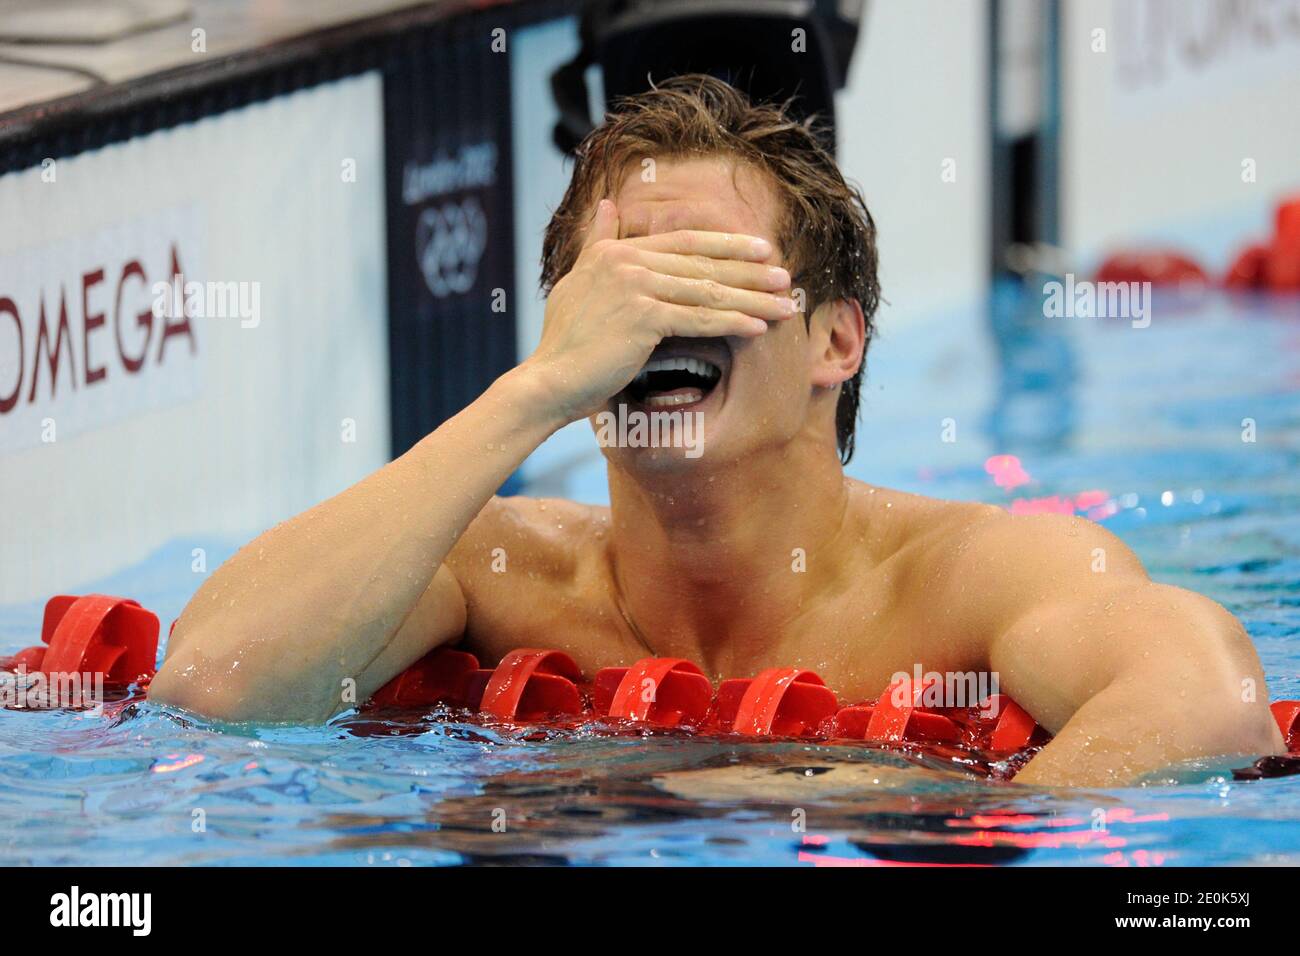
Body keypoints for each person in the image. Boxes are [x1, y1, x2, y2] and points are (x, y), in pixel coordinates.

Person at [151, 75, 1284, 786]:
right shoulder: (496, 567)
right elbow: (214, 683)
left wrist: (935, 805)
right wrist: (534, 389)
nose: (651, 316)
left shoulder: (974, 579)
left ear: (834, 343)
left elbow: (1203, 697)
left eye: (705, 275)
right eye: (617, 285)